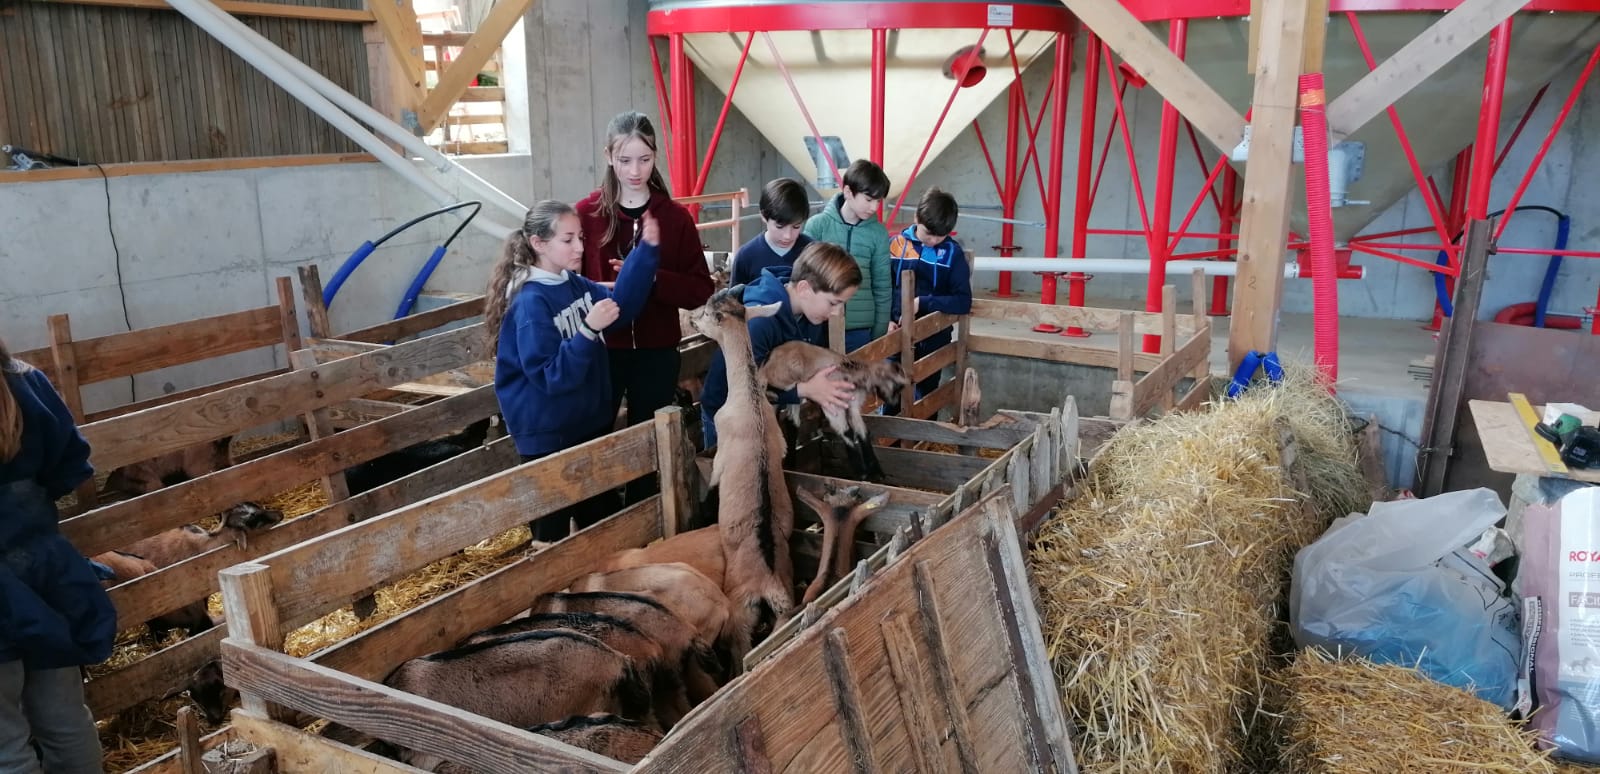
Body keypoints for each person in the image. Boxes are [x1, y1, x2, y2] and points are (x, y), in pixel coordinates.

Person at [485, 200, 661, 541]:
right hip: (549, 436)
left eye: (580, 236)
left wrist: (644, 253)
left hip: (584, 426)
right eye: (568, 239)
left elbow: (619, 309)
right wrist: (588, 331)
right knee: (549, 536)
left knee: (603, 528)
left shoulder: (572, 283)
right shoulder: (530, 303)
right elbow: (552, 375)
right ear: (539, 244)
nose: (580, 246)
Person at [0, 336, 114, 774]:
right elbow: (71, 465)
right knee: (66, 721)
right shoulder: (25, 381)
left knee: (6, 745)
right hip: (45, 573)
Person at [576, 111, 714, 432]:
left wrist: (649, 277)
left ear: (655, 156)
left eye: (644, 159)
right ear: (609, 156)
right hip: (600, 349)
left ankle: (647, 486)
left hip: (657, 352)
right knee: (593, 437)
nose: (635, 171)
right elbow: (568, 281)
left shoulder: (676, 218)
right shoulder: (585, 214)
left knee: (653, 439)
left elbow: (700, 290)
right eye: (625, 160)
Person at [698, 242, 862, 449]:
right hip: (726, 413)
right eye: (833, 303)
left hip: (764, 412)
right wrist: (804, 390)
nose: (837, 312)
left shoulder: (810, 315)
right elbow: (743, 387)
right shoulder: (759, 322)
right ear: (804, 288)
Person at [886, 187, 972, 410]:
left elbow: (963, 301)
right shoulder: (895, 246)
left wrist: (922, 303)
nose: (933, 240)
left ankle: (922, 442)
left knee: (926, 395)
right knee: (891, 391)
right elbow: (883, 286)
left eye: (940, 235)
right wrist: (886, 318)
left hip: (934, 335)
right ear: (916, 218)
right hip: (895, 333)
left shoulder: (953, 254)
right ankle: (890, 441)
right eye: (928, 233)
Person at [803, 160, 891, 353]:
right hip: (820, 328)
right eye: (869, 199)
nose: (874, 207)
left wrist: (879, 333)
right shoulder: (817, 226)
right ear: (848, 192)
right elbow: (804, 281)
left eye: (878, 201)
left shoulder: (879, 234)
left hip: (860, 332)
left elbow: (882, 286)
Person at [729, 177, 813, 287]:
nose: (787, 236)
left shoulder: (813, 253)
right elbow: (733, 302)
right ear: (764, 216)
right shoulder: (746, 256)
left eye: (796, 227)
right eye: (780, 226)